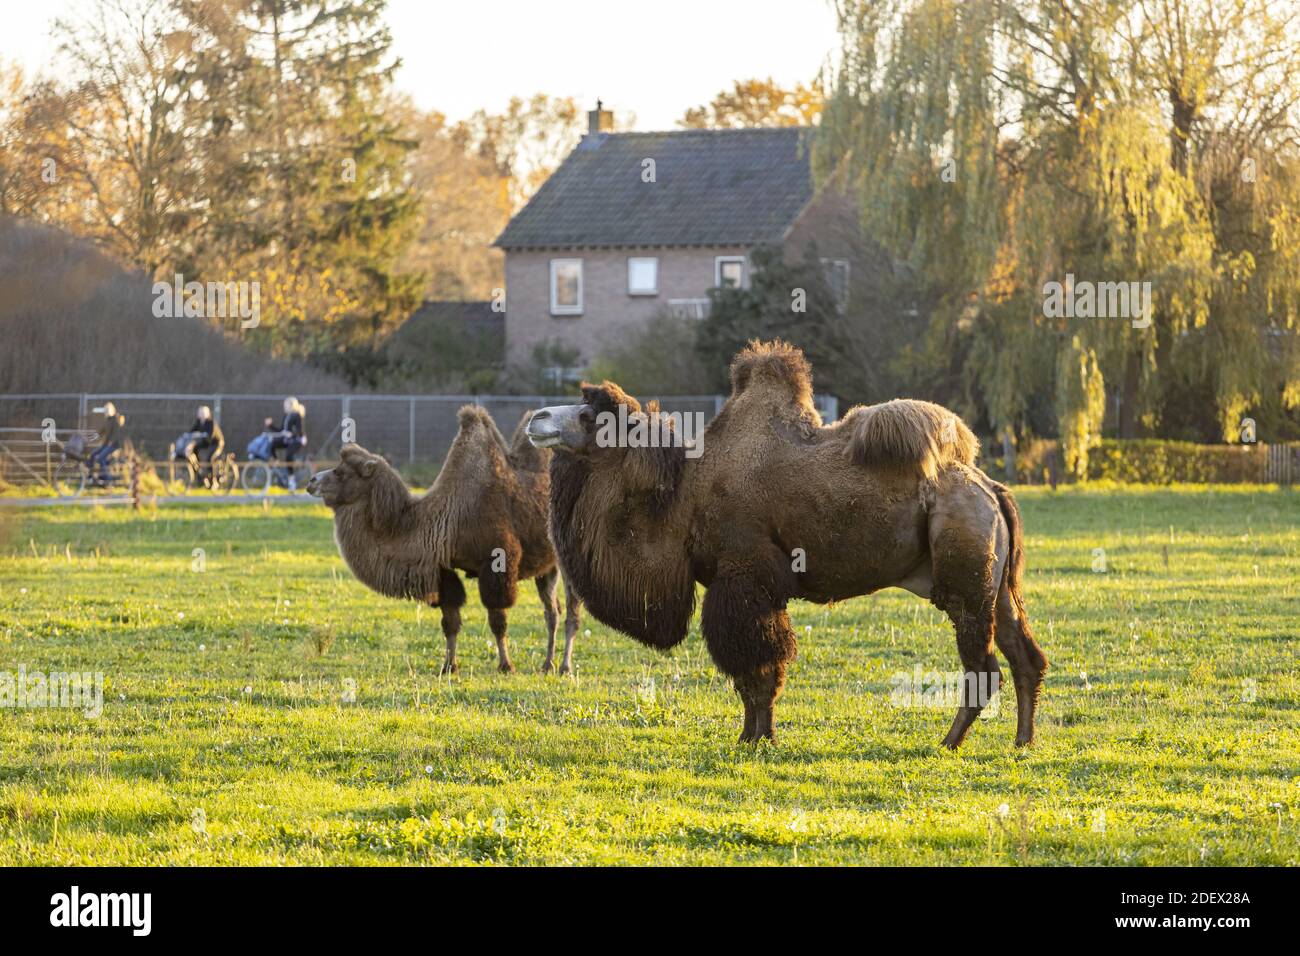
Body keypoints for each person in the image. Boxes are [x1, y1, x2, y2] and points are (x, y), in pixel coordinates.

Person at [180, 405, 224, 486]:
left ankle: (213, 481)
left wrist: (198, 439)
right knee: (193, 452)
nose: (202, 415)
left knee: (210, 459)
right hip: (205, 443)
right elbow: (191, 433)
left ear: (208, 414)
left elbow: (209, 437)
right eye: (200, 413)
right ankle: (200, 475)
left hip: (216, 443)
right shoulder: (198, 423)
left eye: (203, 413)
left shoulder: (211, 423)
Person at [270, 397, 307, 490]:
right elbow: (281, 430)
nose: (284, 407)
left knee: (288, 455)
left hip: (297, 440)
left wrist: (291, 434)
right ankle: (276, 463)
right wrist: (270, 426)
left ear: (291, 406)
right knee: (272, 444)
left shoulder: (297, 415)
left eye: (286, 405)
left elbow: (300, 431)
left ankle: (292, 480)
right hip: (288, 440)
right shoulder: (286, 416)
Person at [90, 402, 124, 487]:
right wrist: (94, 436)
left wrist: (110, 443)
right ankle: (91, 476)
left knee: (101, 457)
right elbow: (102, 431)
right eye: (105, 410)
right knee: (94, 454)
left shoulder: (115, 420)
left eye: (107, 410)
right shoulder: (107, 420)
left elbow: (115, 434)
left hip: (114, 445)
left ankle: (107, 480)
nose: (106, 411)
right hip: (107, 445)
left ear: (112, 410)